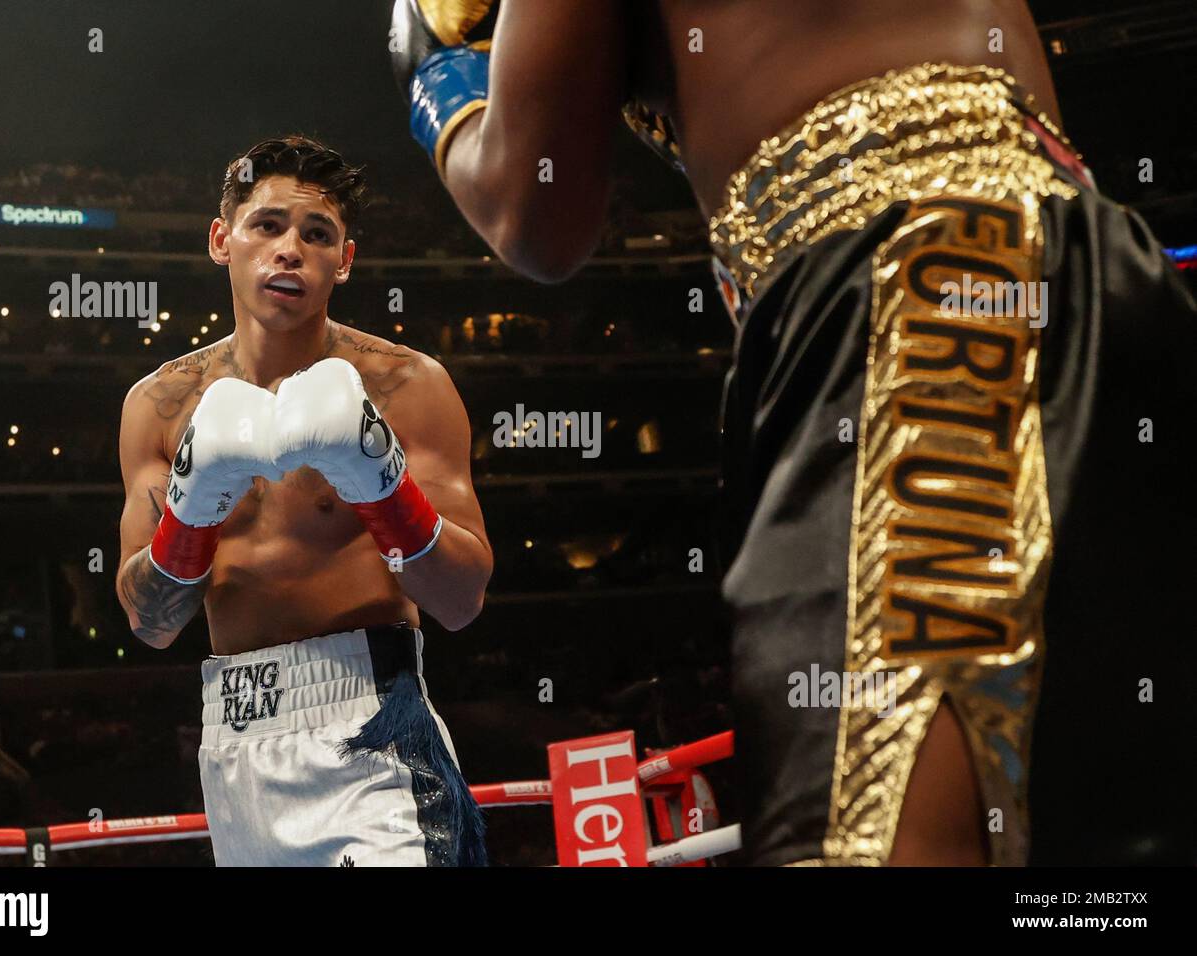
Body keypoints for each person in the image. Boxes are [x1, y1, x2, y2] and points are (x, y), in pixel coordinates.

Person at [391, 1, 1196, 865]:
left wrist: (447, 89)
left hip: (919, 283)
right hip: (1091, 272)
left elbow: (535, 208)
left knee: (862, 840)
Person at [115, 136, 492, 866]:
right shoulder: (157, 406)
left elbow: (462, 599)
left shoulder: (409, 385)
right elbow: (150, 622)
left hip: (373, 726)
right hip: (233, 749)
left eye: (316, 234)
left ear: (343, 260)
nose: (290, 249)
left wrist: (379, 485)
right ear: (223, 241)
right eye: (268, 226)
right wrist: (190, 517)